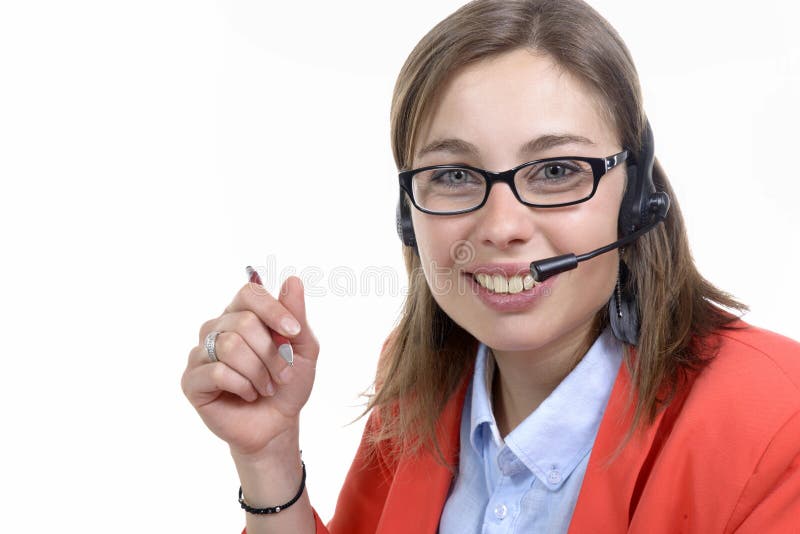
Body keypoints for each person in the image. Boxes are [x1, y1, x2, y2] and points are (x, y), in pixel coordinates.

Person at [181, 0, 800, 532]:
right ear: (409, 214)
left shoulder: (775, 416)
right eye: (453, 175)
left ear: (635, 195)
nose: (502, 226)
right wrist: (269, 461)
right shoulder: (417, 388)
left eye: (556, 170)